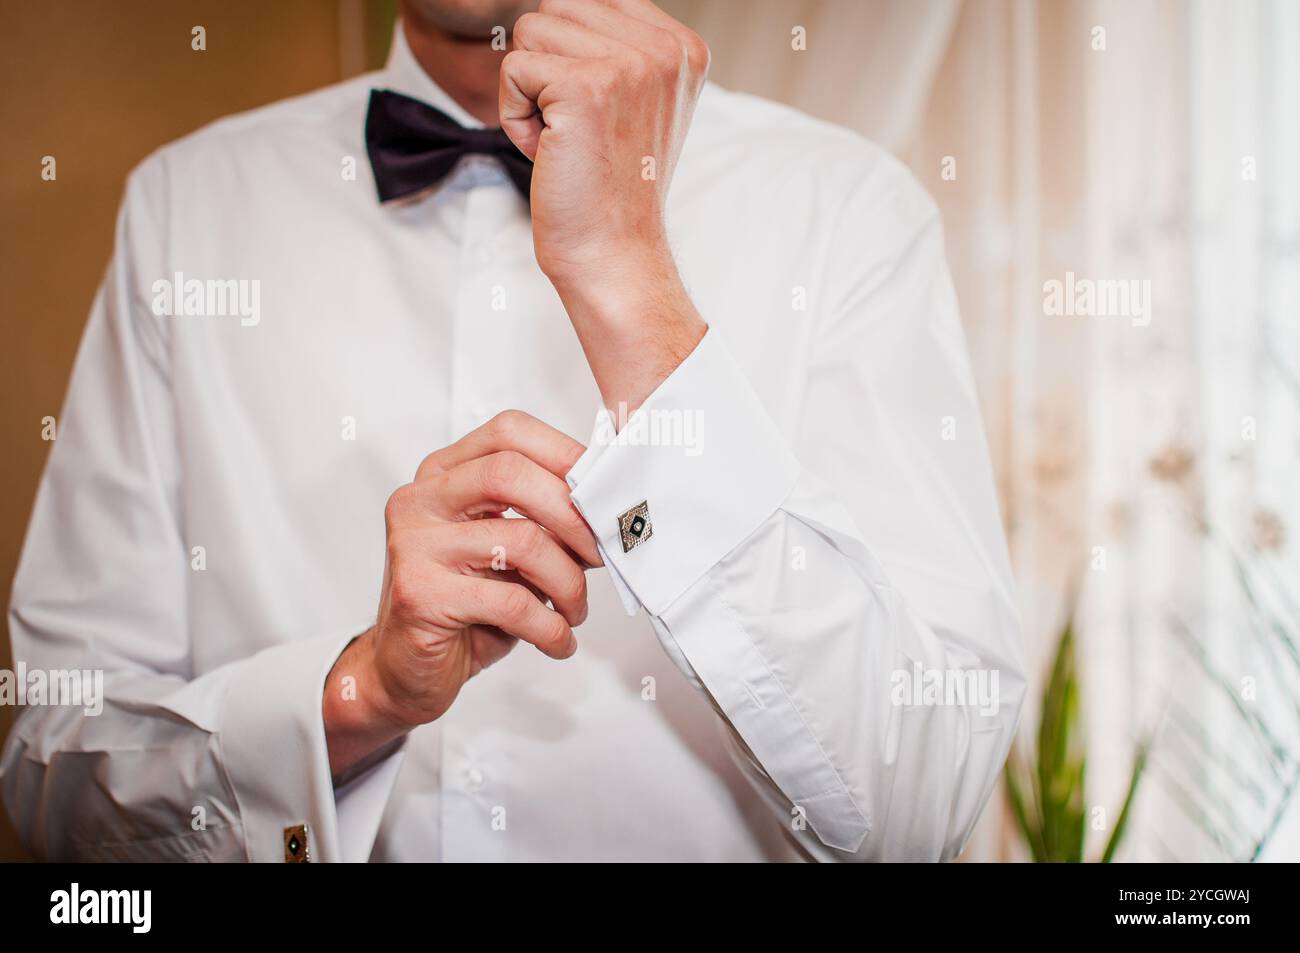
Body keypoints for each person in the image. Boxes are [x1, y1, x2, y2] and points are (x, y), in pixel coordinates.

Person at [1, 0, 1025, 862]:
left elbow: (915, 809)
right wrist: (358, 697)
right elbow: (50, 761)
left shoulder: (846, 209)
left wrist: (630, 276)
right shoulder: (186, 206)